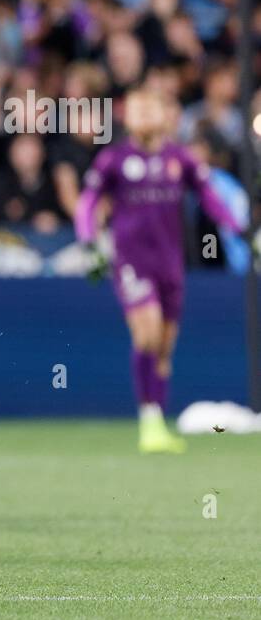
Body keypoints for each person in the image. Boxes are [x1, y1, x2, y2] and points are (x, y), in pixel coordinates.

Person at [75, 87, 244, 453]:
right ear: (127, 117)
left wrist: (239, 229)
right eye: (138, 108)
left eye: (151, 107)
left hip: (171, 264)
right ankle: (147, 420)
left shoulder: (179, 159)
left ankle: (157, 423)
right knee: (147, 333)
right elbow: (87, 202)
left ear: (166, 114)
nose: (145, 114)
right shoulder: (113, 160)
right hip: (133, 262)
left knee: (165, 347)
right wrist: (88, 241)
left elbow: (210, 198)